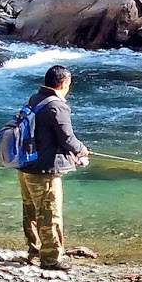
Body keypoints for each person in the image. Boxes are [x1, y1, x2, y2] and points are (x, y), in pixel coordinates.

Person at [17, 64, 89, 271]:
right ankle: (51, 260)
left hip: (26, 167)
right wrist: (81, 151)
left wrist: (72, 154)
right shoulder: (56, 106)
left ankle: (34, 253)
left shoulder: (35, 99)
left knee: (30, 212)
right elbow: (67, 138)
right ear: (63, 83)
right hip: (44, 171)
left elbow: (48, 136)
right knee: (49, 214)